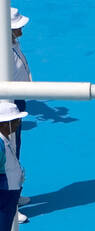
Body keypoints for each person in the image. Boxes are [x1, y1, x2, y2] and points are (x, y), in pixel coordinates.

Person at [0, 101, 22, 231]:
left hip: (8, 196)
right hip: (3, 198)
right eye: (13, 120)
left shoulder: (4, 139)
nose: (16, 124)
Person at [9, 8, 30, 162]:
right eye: (17, 27)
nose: (21, 30)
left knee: (15, 145)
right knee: (9, 147)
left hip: (18, 99)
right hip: (8, 103)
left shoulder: (13, 42)